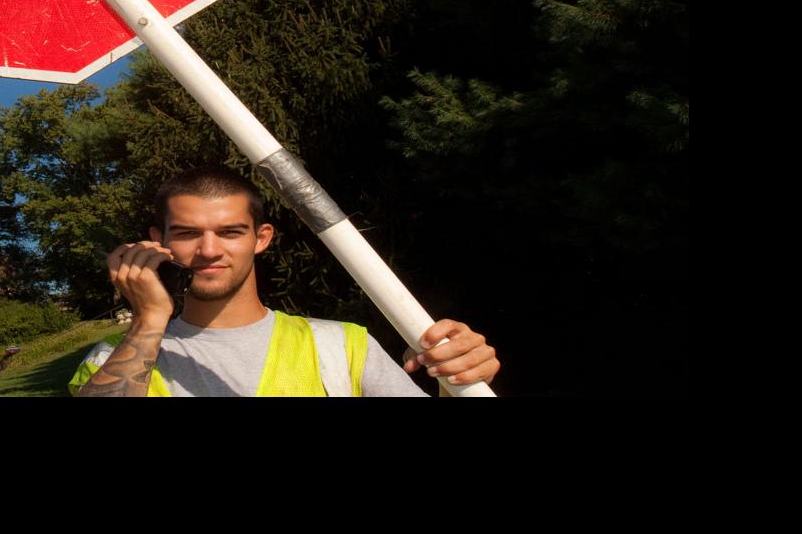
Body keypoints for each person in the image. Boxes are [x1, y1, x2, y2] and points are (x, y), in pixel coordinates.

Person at [69, 166, 499, 397]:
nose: (209, 250)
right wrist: (149, 320)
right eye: (185, 233)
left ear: (262, 238)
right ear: (157, 241)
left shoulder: (343, 346)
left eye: (230, 232)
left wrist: (458, 379)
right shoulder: (113, 359)